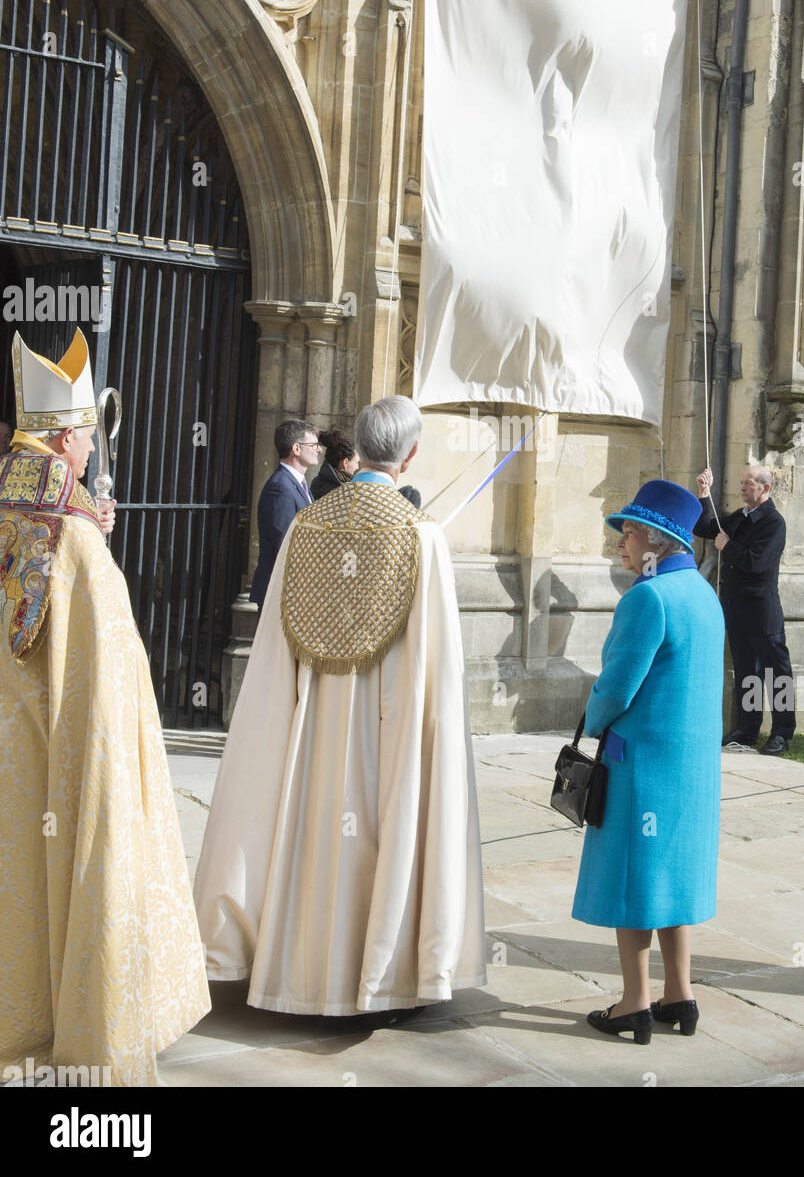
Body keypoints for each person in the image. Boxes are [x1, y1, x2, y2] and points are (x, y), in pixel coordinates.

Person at [194, 395, 486, 1017]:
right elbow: (438, 664)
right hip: (391, 724)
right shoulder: (421, 537)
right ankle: (381, 974)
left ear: (357, 447)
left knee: (315, 827)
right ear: (409, 455)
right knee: (383, 829)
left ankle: (294, 971)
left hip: (315, 718)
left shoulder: (309, 525)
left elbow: (275, 644)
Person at [0, 329, 209, 1086]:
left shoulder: (13, 499)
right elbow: (108, 682)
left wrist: (86, 519)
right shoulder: (76, 542)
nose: (91, 454)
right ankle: (87, 1031)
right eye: (86, 439)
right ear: (64, 435)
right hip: (63, 754)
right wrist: (90, 535)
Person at [572, 481, 724, 1044]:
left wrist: (591, 719)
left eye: (628, 531)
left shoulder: (647, 596)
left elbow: (616, 687)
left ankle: (634, 1003)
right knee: (673, 878)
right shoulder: (703, 592)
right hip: (691, 771)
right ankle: (678, 994)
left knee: (635, 880)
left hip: (642, 765)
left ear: (658, 539)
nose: (620, 543)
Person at [693, 465, 795, 754]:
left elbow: (757, 562)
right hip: (735, 607)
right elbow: (704, 527)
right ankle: (748, 729)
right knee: (747, 671)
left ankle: (782, 732)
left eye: (748, 483)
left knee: (777, 672)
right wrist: (704, 494)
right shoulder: (740, 518)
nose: (742, 488)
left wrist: (728, 547)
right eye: (742, 483)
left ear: (765, 488)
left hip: (762, 609)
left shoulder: (774, 523)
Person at [248, 419, 321, 605]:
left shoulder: (296, 484)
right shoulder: (280, 488)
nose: (319, 449)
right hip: (281, 592)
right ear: (296, 449)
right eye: (313, 445)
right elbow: (286, 544)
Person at [311, 427, 359, 501]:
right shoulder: (340, 491)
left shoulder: (318, 482)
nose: (357, 467)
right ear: (345, 462)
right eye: (356, 462)